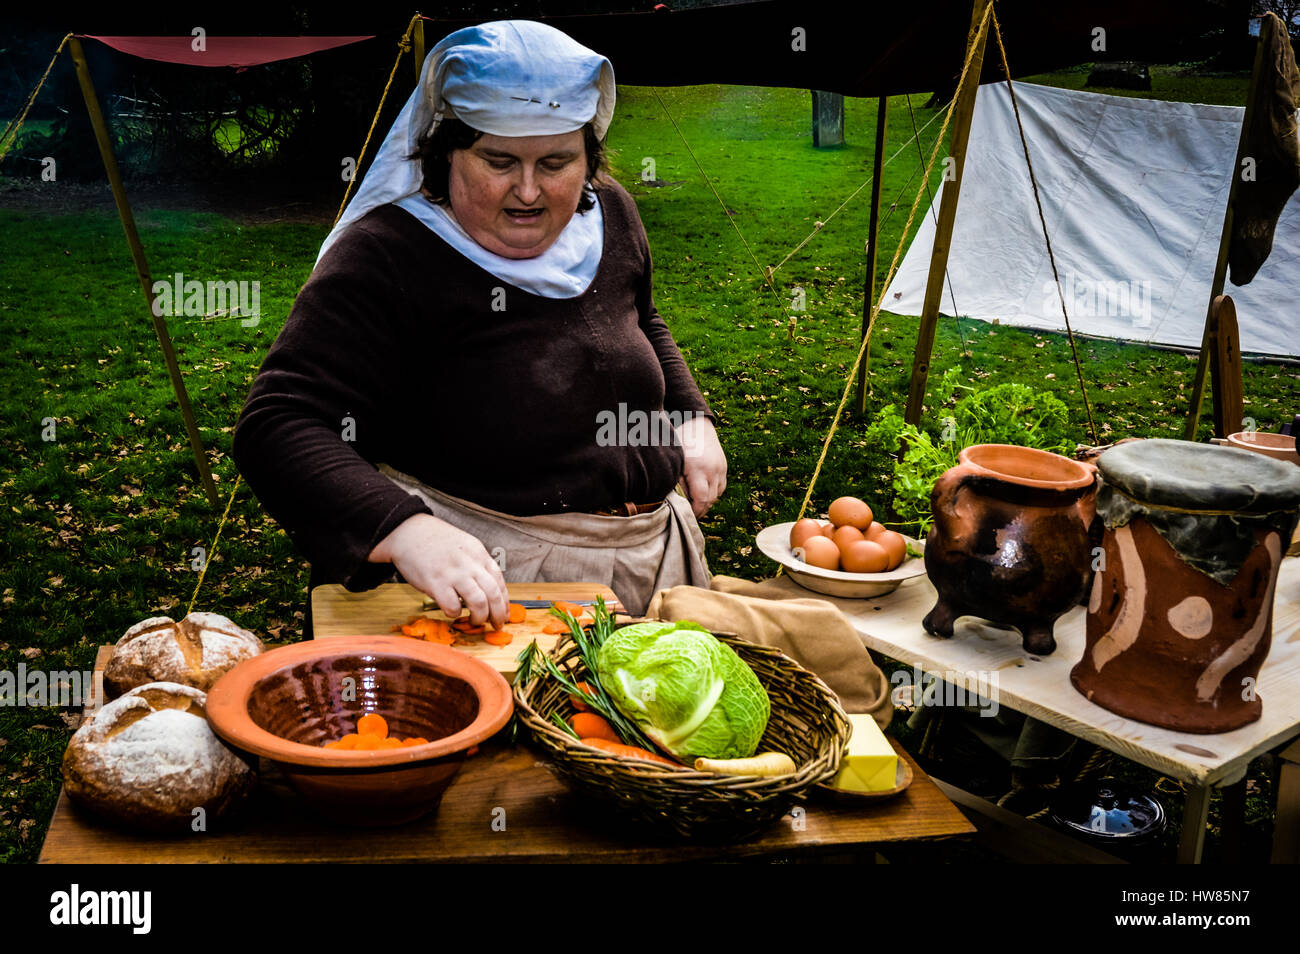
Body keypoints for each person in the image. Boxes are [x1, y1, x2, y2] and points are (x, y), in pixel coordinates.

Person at [233, 20, 726, 629]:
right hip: (491, 592)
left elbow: (639, 317)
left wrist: (689, 415)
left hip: (651, 563)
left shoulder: (611, 214)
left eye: (556, 162)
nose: (527, 190)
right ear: (446, 154)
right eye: (498, 160)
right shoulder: (389, 254)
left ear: (590, 155)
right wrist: (403, 530)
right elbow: (279, 422)